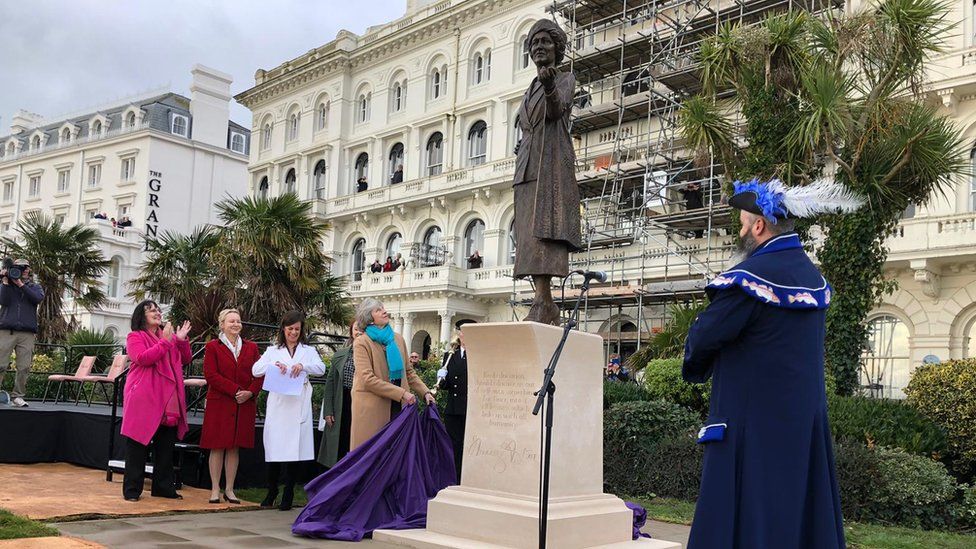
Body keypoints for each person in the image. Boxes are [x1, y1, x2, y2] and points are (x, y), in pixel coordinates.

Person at [682, 177, 862, 548]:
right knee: (794, 514)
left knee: (745, 520)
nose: (741, 231)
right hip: (799, 429)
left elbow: (702, 338)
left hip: (750, 429)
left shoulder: (750, 278)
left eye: (743, 224)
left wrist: (697, 365)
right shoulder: (811, 277)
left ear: (759, 227)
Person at [512, 19, 583, 325]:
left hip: (550, 163)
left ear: (557, 48)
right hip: (527, 165)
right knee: (527, 234)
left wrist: (550, 84)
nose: (539, 47)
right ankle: (540, 298)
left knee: (546, 230)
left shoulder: (565, 79)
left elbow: (557, 111)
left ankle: (545, 299)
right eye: (534, 43)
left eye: (545, 42)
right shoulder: (529, 88)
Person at [252, 310, 326, 510]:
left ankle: (289, 491)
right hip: (279, 404)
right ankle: (272, 490)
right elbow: (255, 370)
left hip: (298, 404)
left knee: (294, 449)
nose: (293, 333)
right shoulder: (273, 350)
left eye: (296, 329)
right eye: (290, 329)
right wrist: (273, 366)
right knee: (275, 448)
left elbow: (321, 368)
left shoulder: (308, 351)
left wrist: (302, 366)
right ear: (283, 329)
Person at [121, 300, 192, 501]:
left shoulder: (167, 336)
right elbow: (142, 358)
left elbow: (185, 359)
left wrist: (180, 340)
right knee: (137, 445)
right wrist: (167, 342)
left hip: (168, 398)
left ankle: (163, 487)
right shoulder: (135, 336)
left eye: (158, 309)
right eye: (151, 310)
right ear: (141, 316)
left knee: (165, 446)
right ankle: (132, 490)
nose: (157, 312)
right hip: (144, 397)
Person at [350, 298, 434, 450]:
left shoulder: (398, 339)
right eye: (378, 310)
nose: (384, 311)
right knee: (372, 457)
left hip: (398, 406)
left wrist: (425, 392)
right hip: (373, 409)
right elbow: (368, 379)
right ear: (369, 319)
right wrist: (402, 393)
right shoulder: (362, 342)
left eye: (383, 307)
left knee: (396, 456)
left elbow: (408, 372)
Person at [200, 308, 262, 504]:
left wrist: (250, 392)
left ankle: (230, 489)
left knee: (235, 447)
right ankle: (215, 489)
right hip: (221, 403)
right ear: (222, 324)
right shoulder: (213, 346)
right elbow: (211, 375)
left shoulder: (251, 347)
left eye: (238, 321)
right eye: (231, 321)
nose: (235, 324)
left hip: (244, 404)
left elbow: (260, 373)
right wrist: (236, 390)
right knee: (217, 446)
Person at [0, 259, 44, 408]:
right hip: (6, 330)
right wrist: (5, 282)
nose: (24, 270)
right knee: (1, 364)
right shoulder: (6, 285)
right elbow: (3, 301)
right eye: (20, 267)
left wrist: (20, 284)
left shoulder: (34, 287)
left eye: (27, 267)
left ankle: (18, 397)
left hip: (27, 332)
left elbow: (37, 298)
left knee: (24, 366)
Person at [318, 320, 362, 468]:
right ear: (351, 331)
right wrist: (328, 410)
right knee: (340, 443)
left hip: (362, 404)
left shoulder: (373, 354)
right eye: (356, 329)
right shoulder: (340, 354)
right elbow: (330, 383)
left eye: (362, 328)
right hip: (342, 402)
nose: (359, 331)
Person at [438, 319, 474, 479]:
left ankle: (465, 477)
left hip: (469, 407)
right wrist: (441, 378)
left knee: (468, 445)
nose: (464, 335)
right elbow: (445, 386)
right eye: (462, 332)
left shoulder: (478, 354)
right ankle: (454, 477)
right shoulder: (449, 355)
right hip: (453, 408)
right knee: (454, 445)